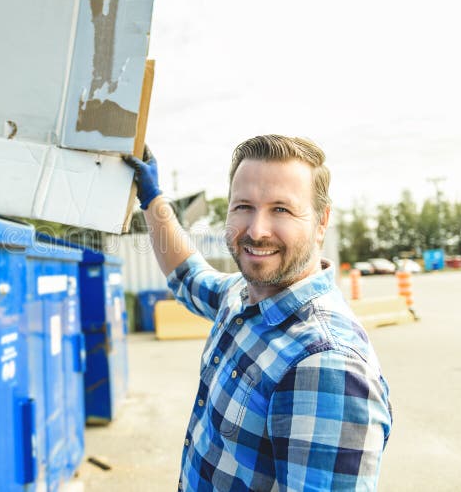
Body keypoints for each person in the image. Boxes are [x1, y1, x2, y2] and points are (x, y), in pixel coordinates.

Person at [125, 135, 392, 491]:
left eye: (281, 209)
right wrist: (152, 199)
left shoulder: (326, 363)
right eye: (243, 207)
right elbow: (189, 277)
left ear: (321, 222)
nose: (256, 230)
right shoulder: (241, 296)